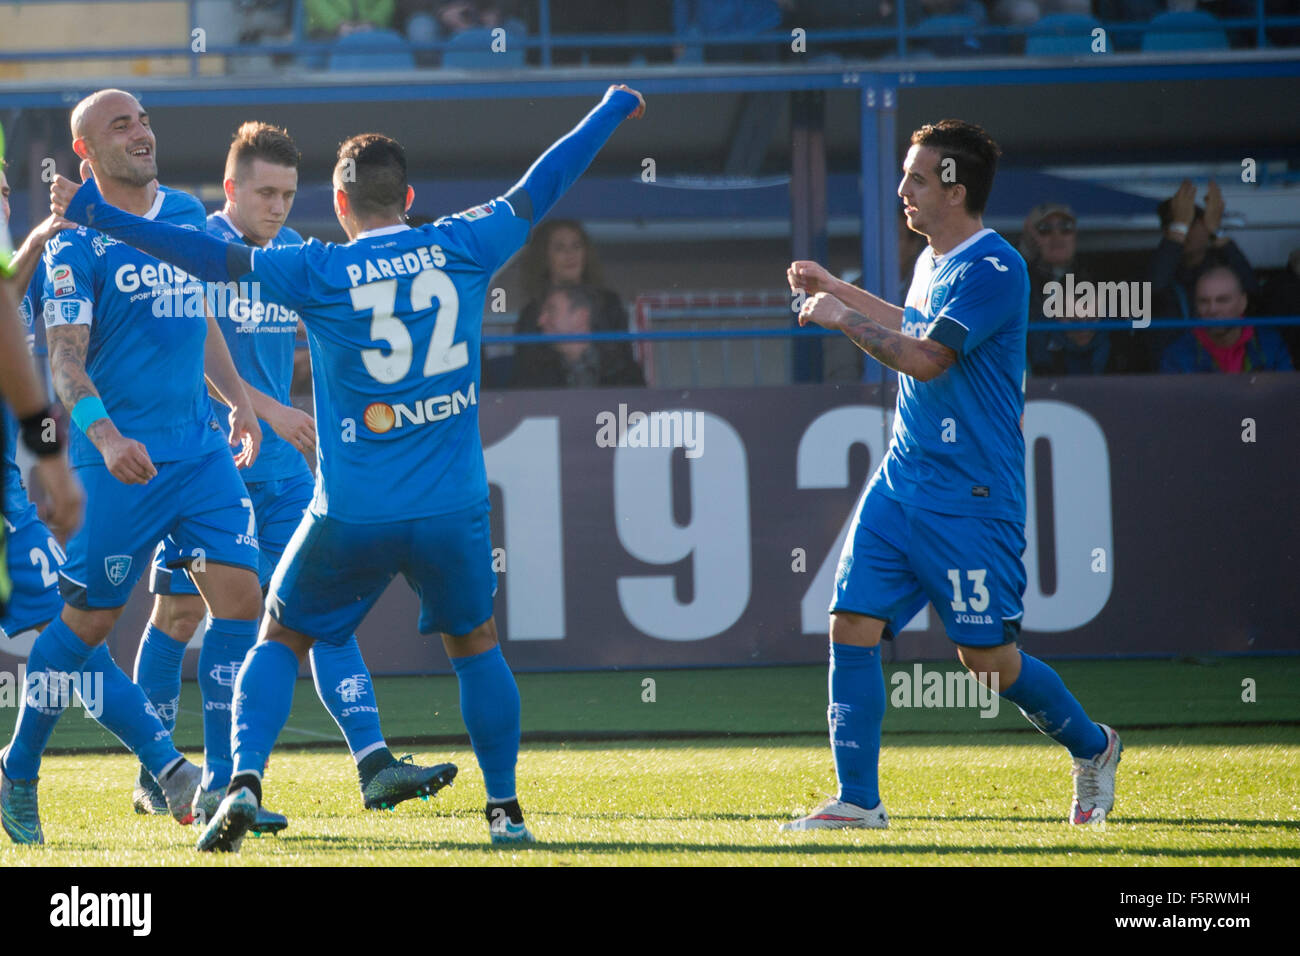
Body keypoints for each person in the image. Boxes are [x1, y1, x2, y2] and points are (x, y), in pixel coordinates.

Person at [53, 84, 647, 852]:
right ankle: (504, 812)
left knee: (279, 633)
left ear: (338, 203)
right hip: (453, 507)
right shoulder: (466, 243)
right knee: (477, 644)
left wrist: (97, 215)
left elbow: (211, 257)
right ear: (408, 196)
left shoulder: (318, 269)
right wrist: (610, 109)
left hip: (351, 508)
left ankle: (242, 785)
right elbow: (543, 185)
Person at [783, 119, 1120, 831]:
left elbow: (927, 358)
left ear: (953, 188)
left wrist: (840, 315)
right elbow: (914, 323)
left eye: (915, 177)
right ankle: (859, 802)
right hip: (903, 480)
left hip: (971, 498)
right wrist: (838, 289)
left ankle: (1095, 747)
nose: (902, 188)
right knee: (850, 623)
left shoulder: (995, 268)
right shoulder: (934, 259)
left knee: (987, 661)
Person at [131, 121, 452, 829]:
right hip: (207, 466)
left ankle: (373, 764)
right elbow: (186, 350)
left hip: (283, 475)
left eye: (287, 193)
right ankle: (171, 775)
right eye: (264, 192)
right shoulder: (200, 249)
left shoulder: (299, 255)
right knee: (185, 614)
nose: (277, 206)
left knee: (321, 614)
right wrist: (269, 407)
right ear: (231, 188)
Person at [1, 88, 268, 845]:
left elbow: (201, 314)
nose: (140, 131)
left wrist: (239, 399)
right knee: (86, 624)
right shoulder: (72, 240)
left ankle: (221, 778)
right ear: (84, 151)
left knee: (242, 599)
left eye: (144, 118)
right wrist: (109, 437)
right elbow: (61, 359)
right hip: (113, 461)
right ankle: (19, 766)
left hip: (201, 451)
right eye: (120, 124)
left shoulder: (185, 213)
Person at [1020, 202, 1147, 375]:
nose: (1057, 236)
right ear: (1032, 238)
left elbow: (1153, 286)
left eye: (1065, 227)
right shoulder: (1020, 281)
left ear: (1075, 234)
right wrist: (1024, 252)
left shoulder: (1100, 272)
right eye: (1045, 229)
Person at [510, 220, 640, 388]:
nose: (570, 254)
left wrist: (585, 355)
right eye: (560, 248)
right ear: (544, 257)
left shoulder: (609, 303)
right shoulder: (531, 313)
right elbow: (526, 373)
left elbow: (624, 360)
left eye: (576, 246)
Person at [1159, 265, 1293, 373]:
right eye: (1204, 301)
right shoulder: (1176, 355)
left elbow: (1285, 400)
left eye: (1222, 300)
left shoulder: (1271, 344)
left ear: (1243, 303)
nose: (1212, 309)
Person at [510, 284, 645, 388]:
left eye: (551, 310)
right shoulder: (534, 374)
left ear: (580, 316)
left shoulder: (623, 370)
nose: (540, 321)